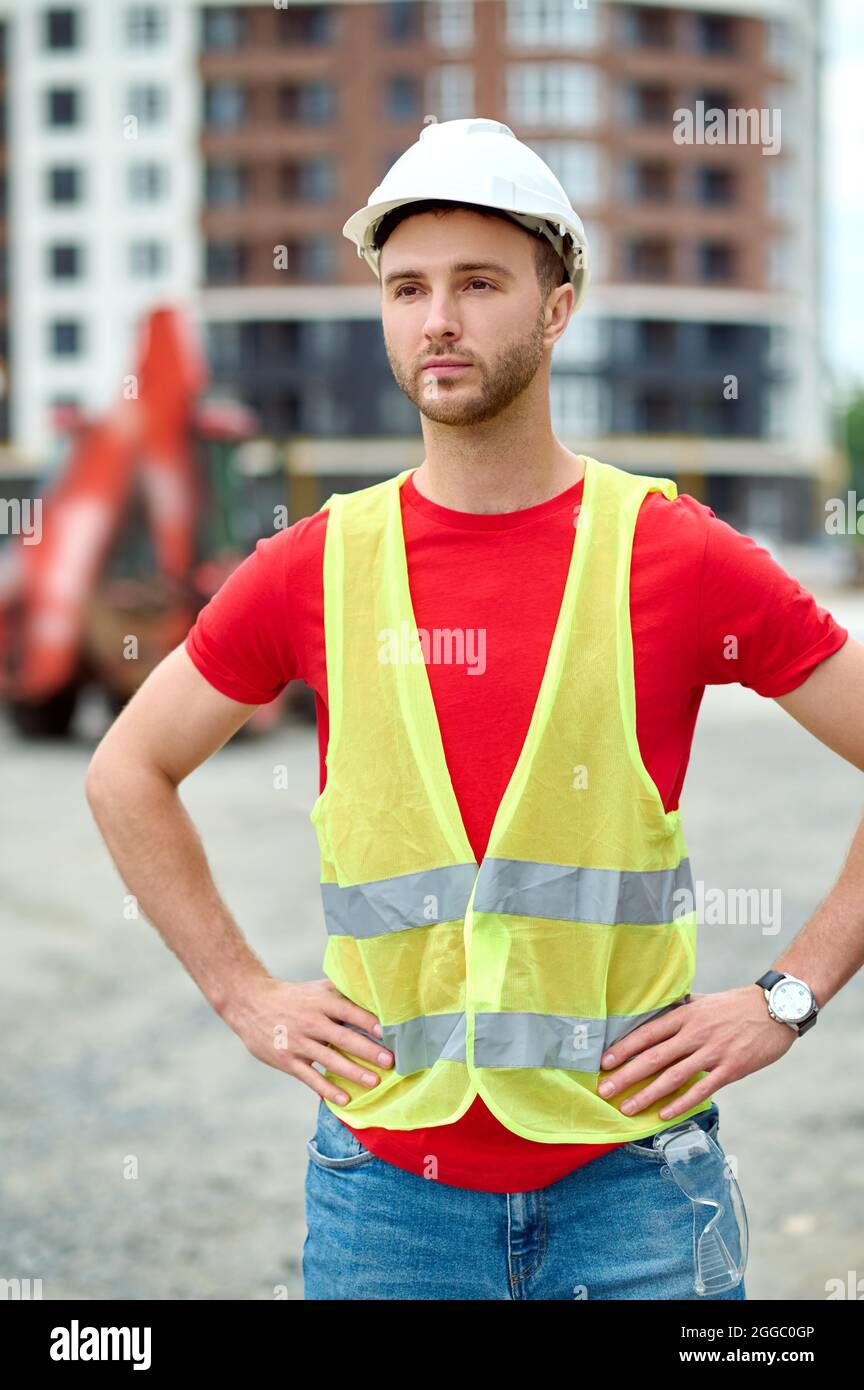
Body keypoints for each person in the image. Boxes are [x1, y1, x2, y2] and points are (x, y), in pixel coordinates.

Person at [86, 120, 862, 1302]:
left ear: (557, 310)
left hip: (636, 1187)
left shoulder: (675, 554)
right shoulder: (316, 565)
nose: (436, 319)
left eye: (479, 284)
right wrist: (242, 991)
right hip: (386, 1195)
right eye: (408, 288)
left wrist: (787, 997)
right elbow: (124, 771)